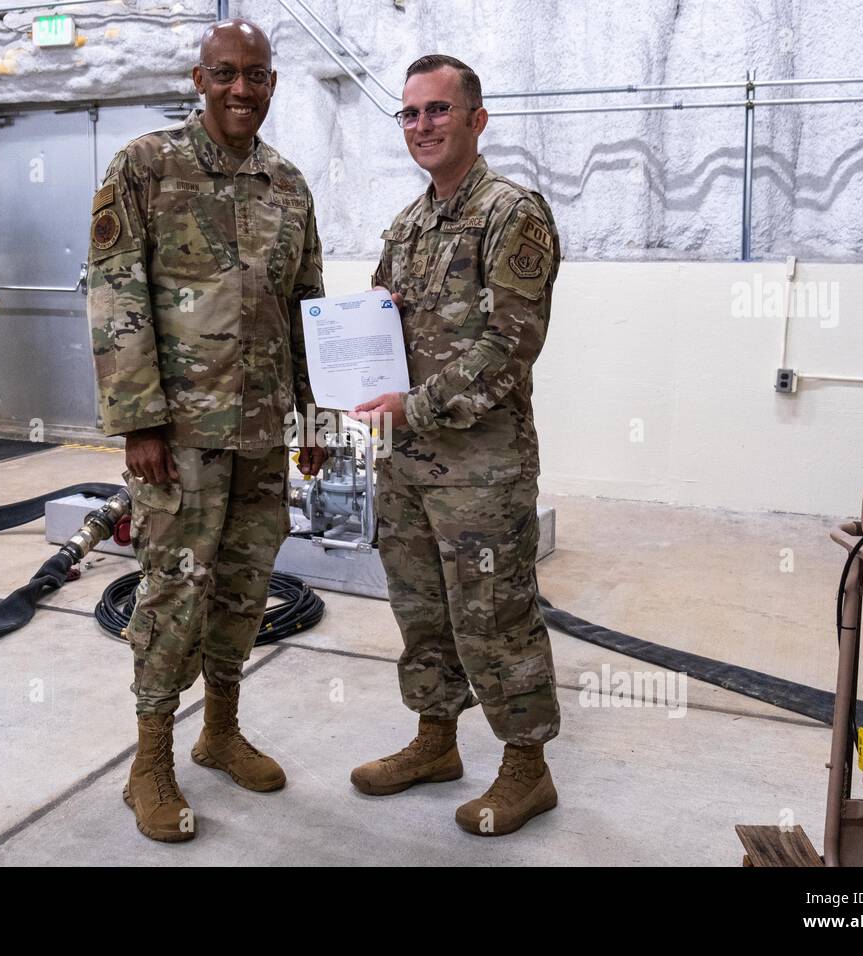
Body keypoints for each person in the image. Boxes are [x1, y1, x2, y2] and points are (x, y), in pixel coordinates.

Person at [87, 18, 327, 843]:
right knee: (171, 593)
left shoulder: (288, 185)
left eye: (255, 75)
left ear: (271, 83)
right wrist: (139, 424)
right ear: (198, 78)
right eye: (225, 73)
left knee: (244, 587)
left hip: (262, 432)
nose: (241, 89)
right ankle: (150, 760)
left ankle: (219, 730)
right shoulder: (145, 167)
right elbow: (116, 294)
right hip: (178, 436)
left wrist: (318, 414)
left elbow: (310, 308)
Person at [349, 54, 563, 837]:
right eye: (409, 114)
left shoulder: (514, 213)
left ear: (476, 119)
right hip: (406, 462)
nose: (422, 127)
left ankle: (526, 767)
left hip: (482, 467)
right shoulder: (407, 224)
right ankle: (436, 742)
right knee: (422, 612)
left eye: (437, 111)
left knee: (496, 617)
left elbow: (510, 346)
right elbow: (382, 322)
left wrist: (414, 406)